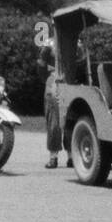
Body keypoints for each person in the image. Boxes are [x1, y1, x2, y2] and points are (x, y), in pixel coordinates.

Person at [39, 38, 67, 168]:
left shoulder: (49, 44)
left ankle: (63, 156)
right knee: (58, 120)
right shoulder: (50, 44)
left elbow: (40, 66)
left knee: (61, 119)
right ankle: (59, 156)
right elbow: (41, 65)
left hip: (62, 80)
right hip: (61, 81)